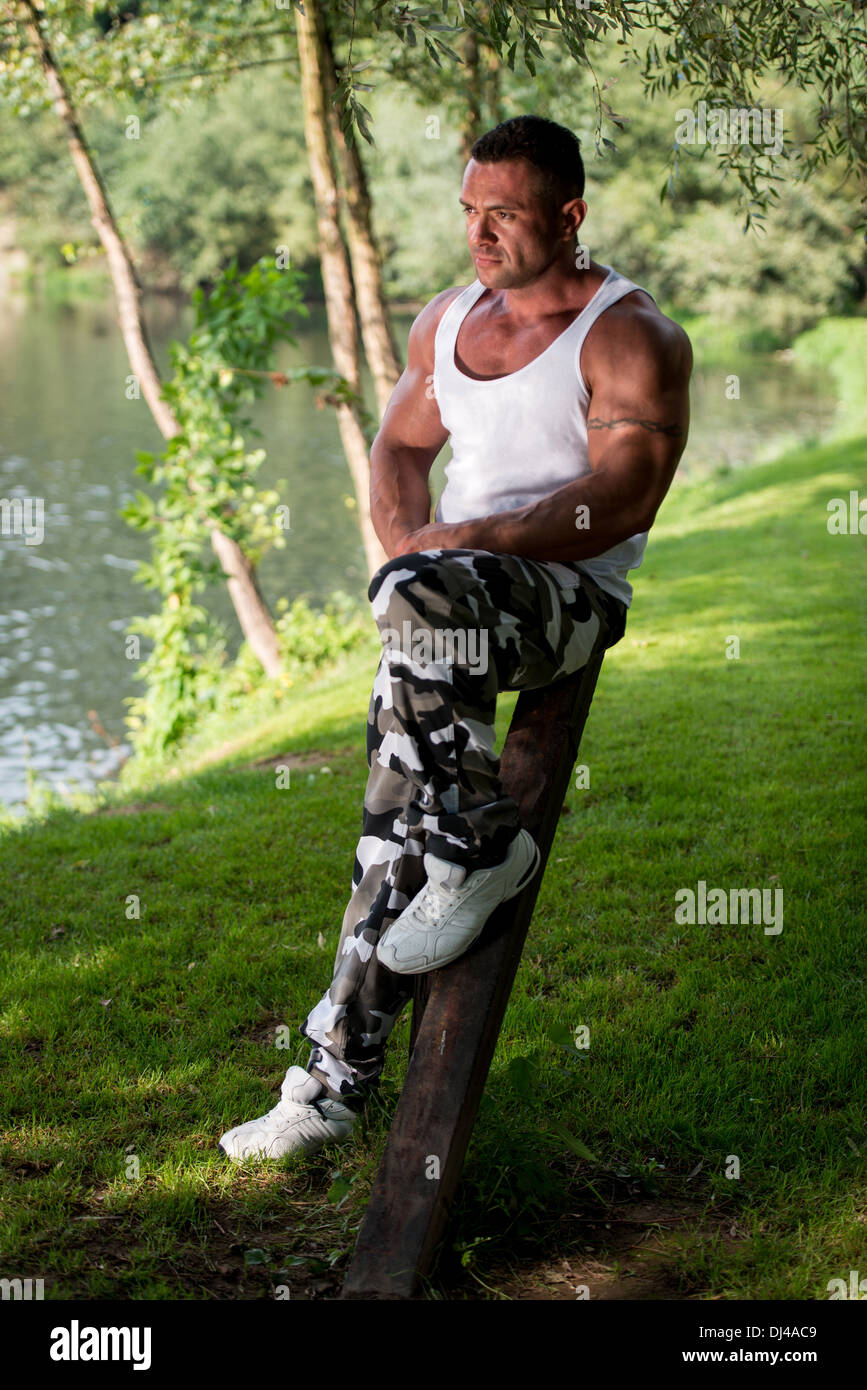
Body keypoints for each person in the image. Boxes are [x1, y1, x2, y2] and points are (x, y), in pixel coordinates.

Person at [219, 114, 692, 1162]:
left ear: (570, 216)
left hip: (562, 602)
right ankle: (330, 1082)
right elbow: (398, 445)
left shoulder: (628, 333)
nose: (479, 236)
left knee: (424, 622)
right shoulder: (447, 320)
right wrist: (407, 557)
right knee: (394, 816)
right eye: (470, 212)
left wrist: (453, 548)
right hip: (444, 606)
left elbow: (620, 497)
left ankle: (479, 846)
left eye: (506, 215)